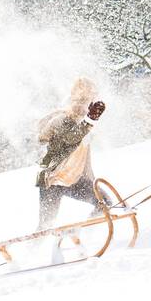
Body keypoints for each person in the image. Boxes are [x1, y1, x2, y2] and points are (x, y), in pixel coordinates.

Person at [35, 76, 111, 229]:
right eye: (87, 98)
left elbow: (82, 155)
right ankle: (31, 251)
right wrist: (90, 120)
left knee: (105, 204)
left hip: (76, 181)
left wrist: (92, 181)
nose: (91, 103)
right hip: (53, 182)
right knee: (45, 226)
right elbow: (71, 138)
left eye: (93, 98)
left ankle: (81, 234)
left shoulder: (86, 123)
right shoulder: (63, 119)